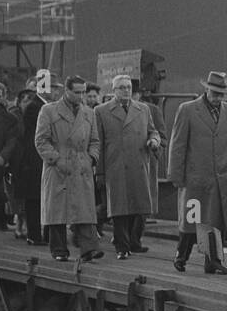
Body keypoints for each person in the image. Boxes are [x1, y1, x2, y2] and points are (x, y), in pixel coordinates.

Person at [169, 71, 227, 274]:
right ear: (206, 89)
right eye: (214, 92)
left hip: (221, 177)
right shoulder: (187, 110)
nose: (218, 97)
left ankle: (213, 261)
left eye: (221, 93)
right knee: (191, 220)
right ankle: (182, 256)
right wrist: (176, 175)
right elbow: (178, 144)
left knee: (215, 221)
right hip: (195, 177)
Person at [35, 76, 104, 263]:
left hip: (81, 165)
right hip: (59, 166)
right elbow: (41, 140)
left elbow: (95, 141)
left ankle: (89, 248)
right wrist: (56, 159)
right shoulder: (48, 111)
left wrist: (91, 158)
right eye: (77, 92)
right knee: (57, 211)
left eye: (83, 92)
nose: (81, 96)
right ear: (67, 91)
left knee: (84, 208)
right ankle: (59, 249)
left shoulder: (89, 113)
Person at [96, 75, 161, 259]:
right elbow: (98, 143)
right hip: (115, 166)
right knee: (119, 209)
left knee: (137, 206)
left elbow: (152, 130)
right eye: (122, 88)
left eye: (129, 87)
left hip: (138, 164)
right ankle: (122, 246)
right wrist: (99, 171)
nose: (126, 91)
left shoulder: (143, 109)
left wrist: (154, 141)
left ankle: (133, 242)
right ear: (114, 90)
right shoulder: (102, 111)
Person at [134, 87, 167, 252]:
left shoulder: (152, 110)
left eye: (133, 92)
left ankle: (134, 239)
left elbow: (162, 136)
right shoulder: (108, 110)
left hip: (145, 163)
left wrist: (155, 147)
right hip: (122, 165)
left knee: (143, 205)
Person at [12, 88, 45, 243]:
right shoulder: (35, 108)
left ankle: (35, 233)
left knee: (37, 199)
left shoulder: (41, 106)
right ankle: (33, 233)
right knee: (34, 199)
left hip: (36, 159)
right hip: (33, 160)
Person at [0, 82, 17, 230]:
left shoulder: (10, 118)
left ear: (4, 97)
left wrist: (4, 156)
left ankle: (0, 221)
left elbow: (12, 140)